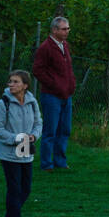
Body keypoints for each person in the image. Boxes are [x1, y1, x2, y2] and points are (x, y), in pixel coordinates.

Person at [0, 70, 41, 217]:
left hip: (26, 151)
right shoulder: (2, 104)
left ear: (25, 85)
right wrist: (16, 138)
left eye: (16, 82)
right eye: (10, 82)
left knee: (25, 189)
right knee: (14, 189)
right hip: (9, 153)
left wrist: (34, 136)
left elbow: (38, 123)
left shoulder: (32, 102)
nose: (11, 85)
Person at [33, 15, 76, 170]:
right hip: (51, 96)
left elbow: (68, 69)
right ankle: (46, 163)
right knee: (50, 131)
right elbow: (37, 70)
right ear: (54, 29)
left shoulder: (65, 45)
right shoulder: (45, 47)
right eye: (64, 29)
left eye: (68, 28)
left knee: (64, 130)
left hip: (66, 95)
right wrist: (54, 85)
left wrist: (71, 84)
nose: (67, 31)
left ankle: (60, 161)